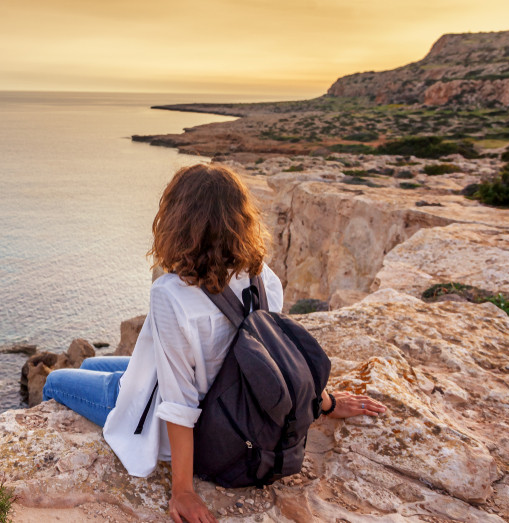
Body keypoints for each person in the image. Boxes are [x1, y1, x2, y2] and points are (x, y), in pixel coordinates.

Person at [42, 163, 387, 523]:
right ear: (241, 219)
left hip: (192, 420)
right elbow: (277, 356)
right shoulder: (262, 277)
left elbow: (179, 401)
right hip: (230, 397)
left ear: (177, 220)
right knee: (90, 364)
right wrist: (326, 403)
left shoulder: (171, 294)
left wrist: (184, 491)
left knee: (54, 381)